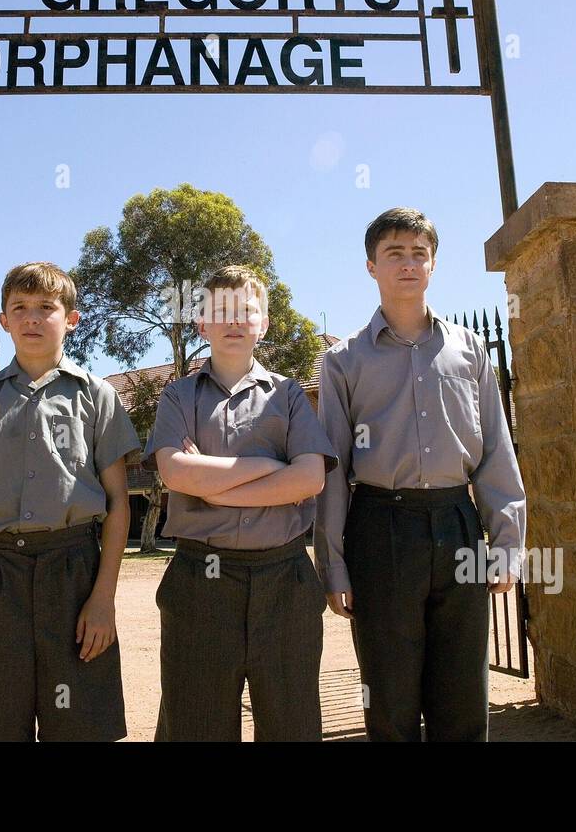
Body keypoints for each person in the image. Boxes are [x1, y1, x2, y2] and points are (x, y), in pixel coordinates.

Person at [314, 207, 526, 742]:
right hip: (379, 527)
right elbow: (332, 471)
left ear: (433, 265)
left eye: (418, 253)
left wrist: (506, 544)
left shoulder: (470, 350)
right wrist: (334, 567)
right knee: (389, 696)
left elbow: (496, 450)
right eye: (394, 254)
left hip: (458, 523)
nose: (408, 264)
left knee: (462, 693)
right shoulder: (343, 362)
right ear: (371, 266)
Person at [0, 261, 139, 742]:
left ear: (70, 318)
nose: (32, 318)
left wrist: (102, 599)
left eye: (45, 308)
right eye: (19, 308)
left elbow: (117, 504)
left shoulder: (97, 396)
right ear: (3, 320)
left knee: (80, 722)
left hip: (74, 572)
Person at [142, 264, 337, 741]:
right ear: (201, 323)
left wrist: (209, 486)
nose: (233, 321)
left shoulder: (290, 395)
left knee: (291, 723)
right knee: (197, 724)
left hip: (285, 580)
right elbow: (174, 472)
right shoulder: (178, 396)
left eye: (245, 311)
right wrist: (271, 468)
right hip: (199, 582)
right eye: (219, 311)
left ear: (264, 323)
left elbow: (310, 477)